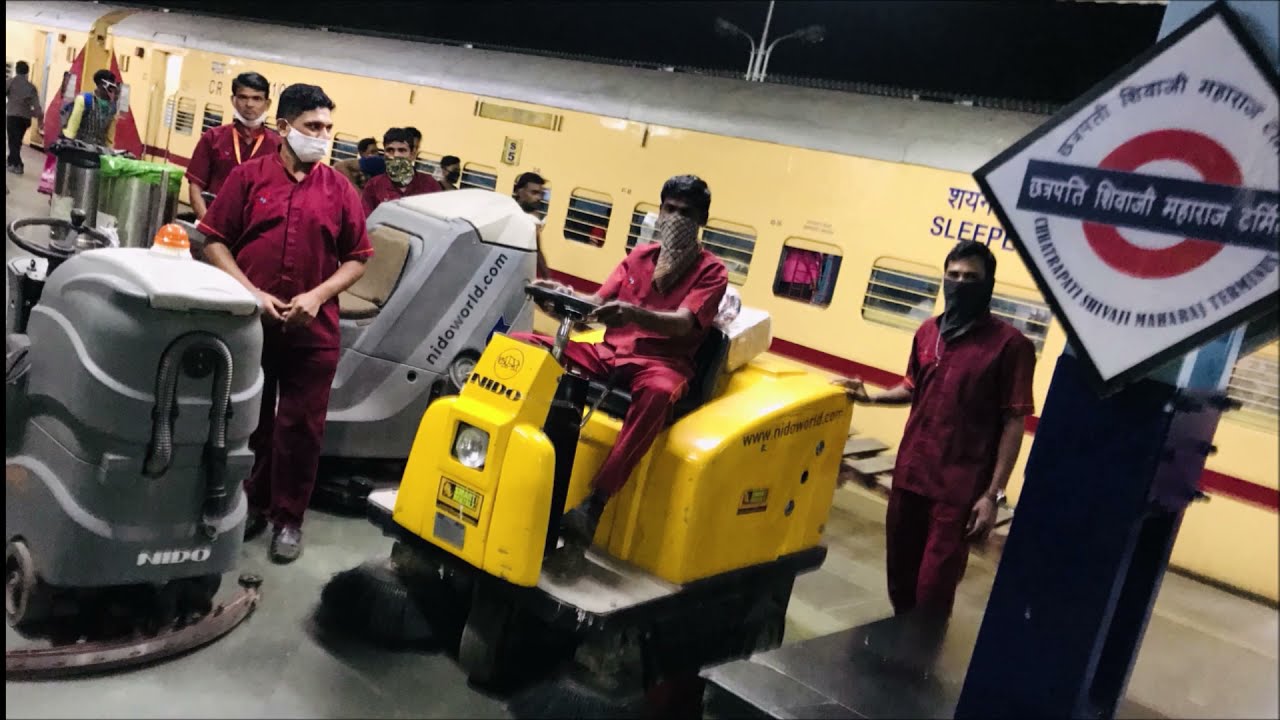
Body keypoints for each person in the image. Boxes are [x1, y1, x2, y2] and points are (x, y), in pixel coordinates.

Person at [197, 83, 373, 563]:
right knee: (248, 420)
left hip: (312, 331)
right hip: (252, 327)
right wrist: (249, 293)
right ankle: (248, 504)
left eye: (329, 128)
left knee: (301, 427)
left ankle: (288, 519)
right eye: (313, 127)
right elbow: (213, 239)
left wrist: (317, 296)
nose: (323, 137)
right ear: (284, 128)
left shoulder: (339, 189)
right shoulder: (247, 178)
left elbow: (357, 258)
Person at [514, 175, 728, 546]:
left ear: (702, 221)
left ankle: (595, 503)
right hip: (609, 353)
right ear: (660, 212)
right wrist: (557, 295)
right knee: (520, 344)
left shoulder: (712, 272)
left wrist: (634, 314)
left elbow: (683, 324)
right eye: (671, 210)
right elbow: (595, 307)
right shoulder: (637, 258)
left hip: (663, 363)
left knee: (658, 394)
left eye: (687, 214)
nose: (676, 218)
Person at [835, 240, 1035, 620]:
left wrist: (992, 495)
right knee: (900, 578)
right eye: (953, 275)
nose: (960, 283)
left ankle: (920, 660)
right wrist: (872, 399)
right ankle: (902, 650)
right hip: (911, 475)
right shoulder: (928, 332)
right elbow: (913, 386)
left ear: (989, 284)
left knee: (933, 588)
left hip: (959, 488)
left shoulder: (1010, 346)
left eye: (971, 277)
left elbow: (1014, 421)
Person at [184, 72, 280, 220]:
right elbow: (195, 186)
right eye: (243, 97)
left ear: (267, 104)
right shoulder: (213, 138)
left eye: (257, 98)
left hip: (253, 231)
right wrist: (207, 224)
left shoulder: (277, 146)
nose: (249, 104)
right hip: (214, 223)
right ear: (233, 100)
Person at [361, 127, 441, 216]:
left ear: (412, 154)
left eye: (402, 150)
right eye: (390, 150)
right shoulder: (373, 186)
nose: (396, 155)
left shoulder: (429, 185)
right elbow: (366, 223)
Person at [62, 69, 119, 147]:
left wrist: (110, 153)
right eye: (110, 88)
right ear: (101, 85)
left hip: (99, 151)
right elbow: (71, 130)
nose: (112, 92)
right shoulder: (84, 100)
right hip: (80, 147)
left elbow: (109, 139)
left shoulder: (112, 108)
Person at [6, 60, 43, 175]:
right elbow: (37, 108)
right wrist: (40, 122)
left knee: (13, 141)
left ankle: (18, 164)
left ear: (17, 70)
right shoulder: (31, 87)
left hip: (13, 116)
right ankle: (11, 162)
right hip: (25, 120)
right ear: (27, 72)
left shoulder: (10, 82)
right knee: (17, 141)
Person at [513, 171, 549, 278]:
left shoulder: (534, 219)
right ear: (520, 192)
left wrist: (548, 279)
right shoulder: (510, 213)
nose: (539, 198)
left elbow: (537, 251)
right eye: (534, 192)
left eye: (541, 194)